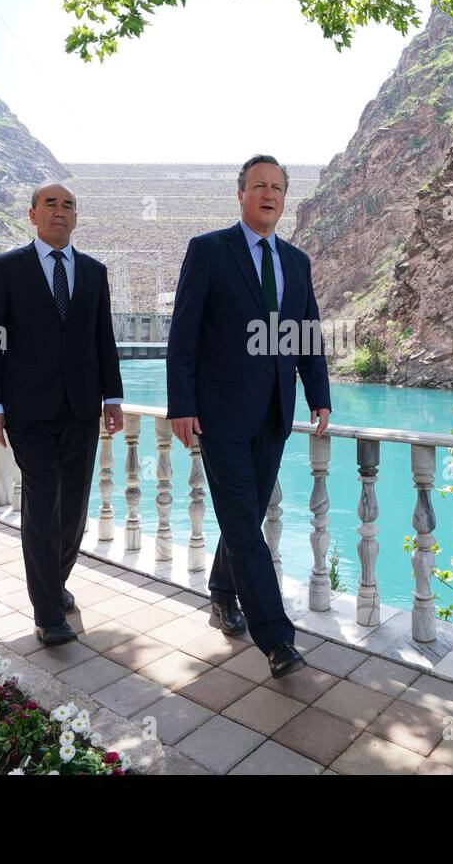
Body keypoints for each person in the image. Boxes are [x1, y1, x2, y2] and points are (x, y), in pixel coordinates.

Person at [166, 154, 331, 678]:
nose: (269, 194)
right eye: (259, 186)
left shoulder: (297, 262)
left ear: (285, 199)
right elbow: (184, 334)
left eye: (278, 188)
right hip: (219, 414)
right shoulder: (209, 251)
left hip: (274, 413)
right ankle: (277, 638)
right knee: (241, 520)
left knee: (249, 516)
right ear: (240, 194)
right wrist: (182, 404)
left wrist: (318, 396)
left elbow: (307, 335)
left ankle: (221, 593)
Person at [0, 182, 124, 645]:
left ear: (76, 217)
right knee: (43, 502)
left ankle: (55, 582)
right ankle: (47, 614)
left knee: (75, 504)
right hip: (27, 409)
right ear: (33, 215)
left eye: (69, 205)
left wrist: (112, 397)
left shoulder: (95, 273)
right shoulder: (6, 269)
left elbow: (104, 339)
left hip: (81, 407)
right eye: (51, 205)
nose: (60, 212)